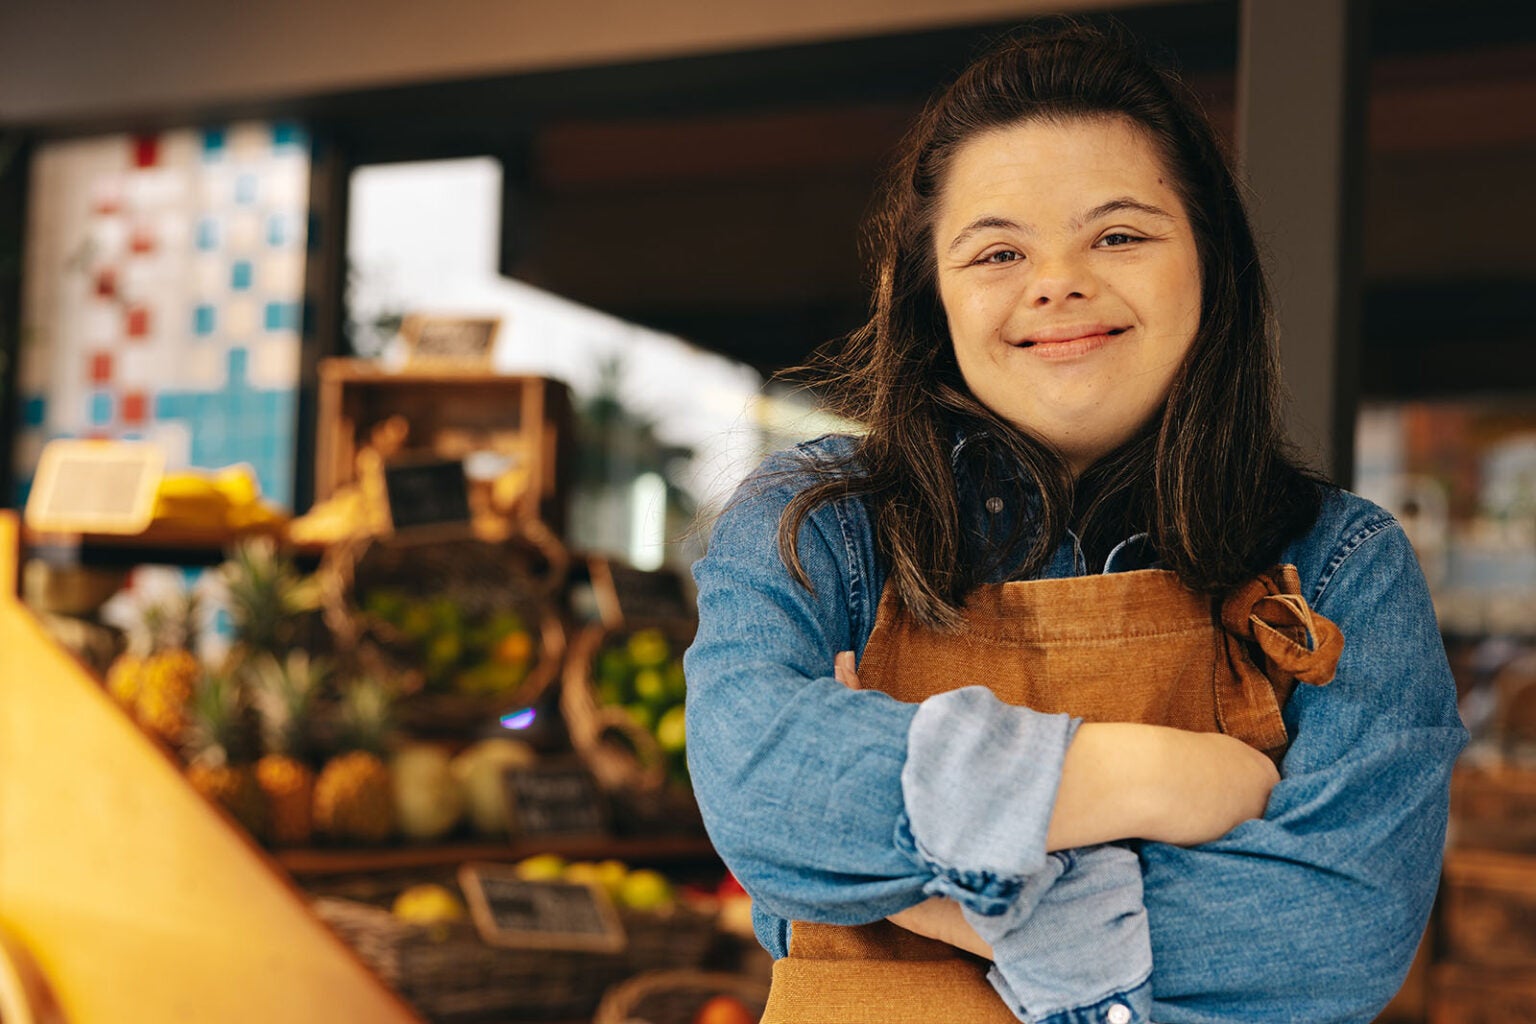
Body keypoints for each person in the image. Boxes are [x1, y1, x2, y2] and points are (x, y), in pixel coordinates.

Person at [684, 22, 1467, 1024]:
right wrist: (1150, 777)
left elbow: (1337, 930)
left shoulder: (1340, 562)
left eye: (1120, 235)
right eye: (998, 249)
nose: (1056, 282)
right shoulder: (821, 525)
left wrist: (932, 895)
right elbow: (760, 790)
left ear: (1210, 263)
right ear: (937, 296)